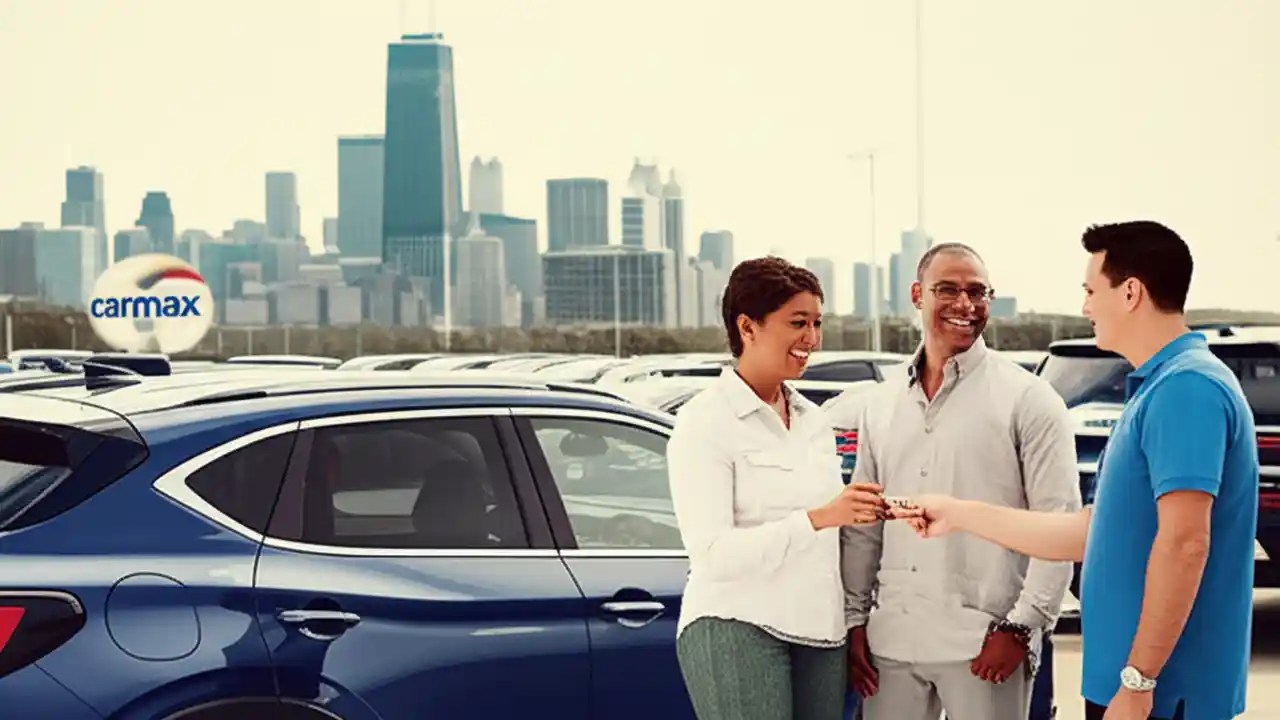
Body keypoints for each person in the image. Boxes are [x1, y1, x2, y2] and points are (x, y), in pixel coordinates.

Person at [902, 222, 1258, 720]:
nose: (1085, 306)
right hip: (1131, 686)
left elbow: (1185, 544)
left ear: (1130, 293)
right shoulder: (1161, 387)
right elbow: (1088, 533)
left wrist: (1138, 680)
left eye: (1091, 291)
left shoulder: (1187, 389)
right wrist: (957, 513)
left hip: (1160, 694)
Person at [832, 242, 1081, 720]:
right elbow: (865, 522)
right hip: (891, 643)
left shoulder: (1029, 400)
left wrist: (1023, 626)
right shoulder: (880, 404)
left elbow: (1059, 523)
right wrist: (855, 620)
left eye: (977, 292)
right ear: (917, 295)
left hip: (985, 642)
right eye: (947, 289)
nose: (965, 304)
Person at [667, 256, 891, 720]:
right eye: (797, 322)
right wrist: (817, 519)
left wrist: (854, 621)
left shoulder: (814, 421)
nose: (812, 338)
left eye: (816, 323)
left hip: (821, 631)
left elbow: (836, 538)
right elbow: (713, 555)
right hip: (737, 622)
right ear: (747, 326)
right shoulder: (703, 422)